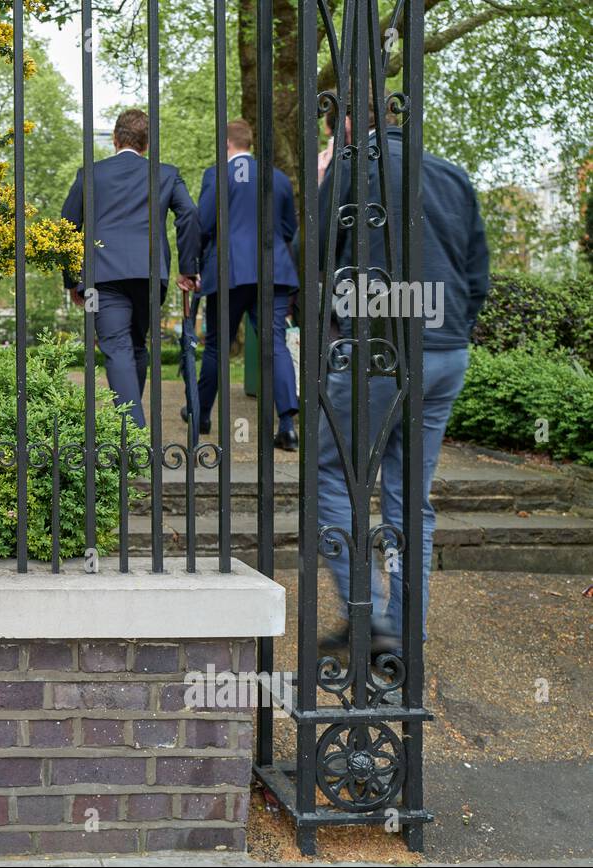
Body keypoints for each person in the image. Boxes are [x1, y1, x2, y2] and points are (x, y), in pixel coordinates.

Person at [316, 98, 490, 657]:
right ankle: (404, 629)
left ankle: (369, 617)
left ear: (343, 125)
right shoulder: (450, 173)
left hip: (378, 347)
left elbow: (315, 251)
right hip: (445, 351)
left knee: (333, 472)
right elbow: (477, 274)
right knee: (410, 496)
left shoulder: (350, 166)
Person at [61, 108, 201, 428]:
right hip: (151, 275)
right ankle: (129, 426)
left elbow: (66, 228)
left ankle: (133, 434)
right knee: (136, 345)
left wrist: (72, 280)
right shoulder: (165, 174)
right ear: (147, 144)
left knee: (118, 348)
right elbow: (190, 213)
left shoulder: (89, 174)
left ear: (114, 139)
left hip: (103, 278)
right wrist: (188, 269)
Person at [188, 119, 301, 451]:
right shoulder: (277, 178)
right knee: (274, 344)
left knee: (216, 346)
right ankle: (288, 426)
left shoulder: (216, 175)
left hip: (230, 272)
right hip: (274, 272)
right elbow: (288, 228)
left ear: (226, 145)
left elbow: (204, 224)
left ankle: (202, 414)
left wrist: (193, 266)